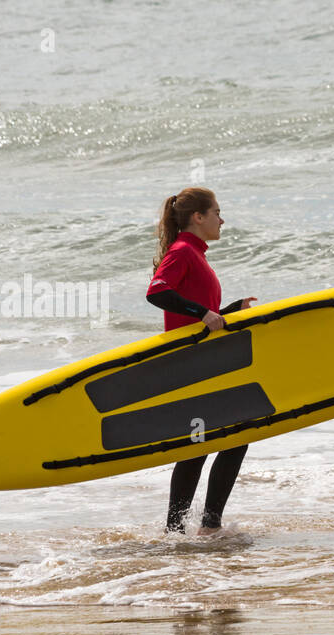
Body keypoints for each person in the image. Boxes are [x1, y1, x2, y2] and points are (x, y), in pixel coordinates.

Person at [147, 187, 257, 535]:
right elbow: (157, 292)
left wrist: (226, 312)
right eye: (216, 213)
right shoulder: (183, 252)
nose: (221, 220)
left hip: (204, 362)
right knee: (225, 437)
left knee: (212, 441)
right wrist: (204, 312)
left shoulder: (196, 254)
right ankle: (196, 528)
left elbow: (196, 318)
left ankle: (184, 529)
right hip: (194, 365)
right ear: (198, 217)